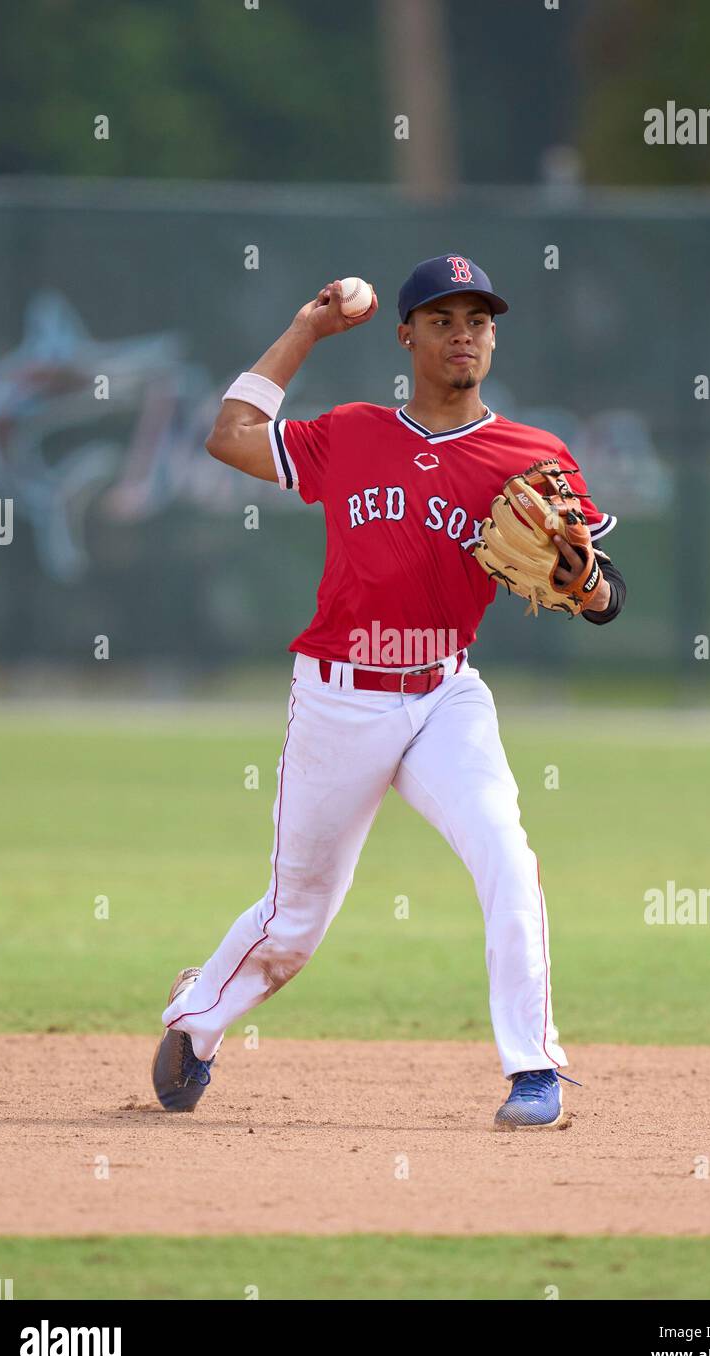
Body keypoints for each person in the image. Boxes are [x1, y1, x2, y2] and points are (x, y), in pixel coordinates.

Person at [151, 254, 626, 1130]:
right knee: (295, 924)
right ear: (406, 335)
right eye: (443, 319)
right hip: (340, 694)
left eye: (478, 320)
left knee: (507, 855)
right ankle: (196, 1019)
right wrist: (308, 329)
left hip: (446, 691)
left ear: (494, 336)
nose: (464, 335)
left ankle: (534, 1069)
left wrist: (587, 582)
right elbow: (228, 435)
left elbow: (603, 595)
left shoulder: (533, 456)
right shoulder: (354, 432)